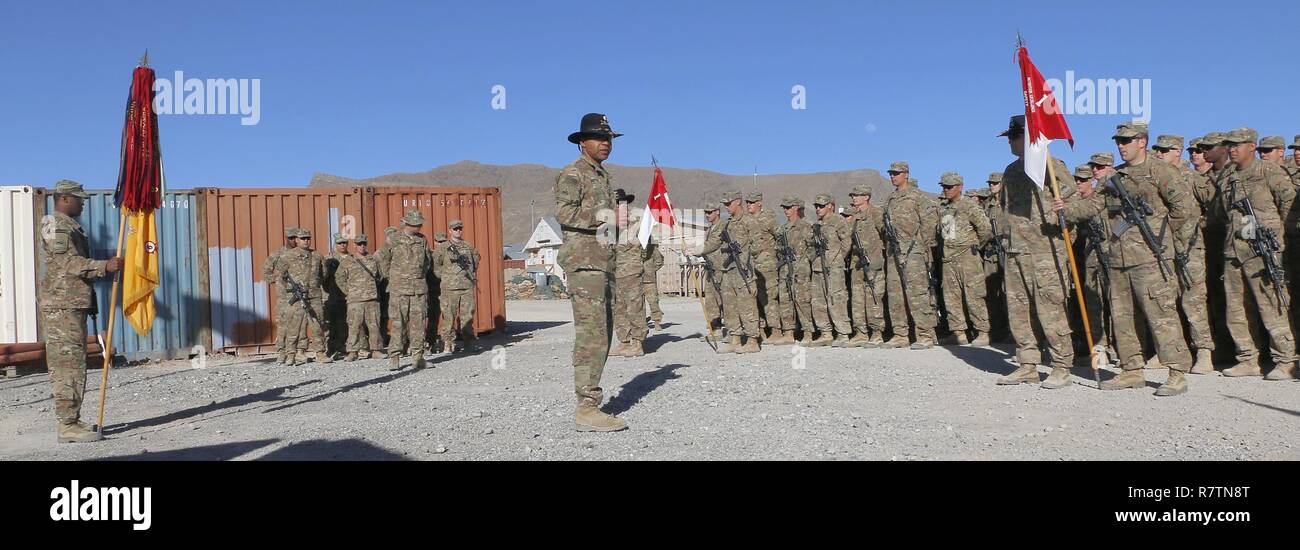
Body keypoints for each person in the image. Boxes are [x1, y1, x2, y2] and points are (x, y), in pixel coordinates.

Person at [1053, 121, 1193, 396]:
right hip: (1117, 258)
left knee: (1161, 315)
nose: (1121, 146)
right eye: (1119, 141)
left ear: (1142, 141)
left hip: (1151, 258)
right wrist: (1065, 209)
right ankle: (1131, 370)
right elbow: (1093, 206)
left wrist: (1160, 237)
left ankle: (1176, 372)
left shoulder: (1160, 171)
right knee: (1122, 316)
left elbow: (1184, 209)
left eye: (1127, 141)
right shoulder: (1113, 177)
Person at [555, 112, 627, 431]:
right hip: (584, 264)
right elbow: (565, 212)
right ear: (582, 143)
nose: (605, 143)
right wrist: (605, 215)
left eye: (608, 138)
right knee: (591, 335)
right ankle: (586, 407)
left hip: (602, 263)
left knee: (603, 332)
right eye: (599, 138)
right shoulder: (573, 173)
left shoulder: (603, 176)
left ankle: (590, 403)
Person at [39, 180, 125, 443]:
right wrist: (104, 266)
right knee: (68, 366)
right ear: (64, 199)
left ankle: (72, 420)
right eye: (79, 199)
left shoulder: (71, 226)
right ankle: (67, 426)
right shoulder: (55, 225)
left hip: (71, 304)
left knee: (74, 364)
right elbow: (67, 262)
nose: (83, 203)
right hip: (62, 306)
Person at [993, 115, 1075, 388]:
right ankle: (1027, 364)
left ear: (1025, 137)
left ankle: (1061, 365)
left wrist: (1057, 212)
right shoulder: (1010, 171)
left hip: (1044, 250)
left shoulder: (1051, 165)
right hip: (1016, 250)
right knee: (1019, 310)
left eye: (1012, 137)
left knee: (1050, 309)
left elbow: (1071, 196)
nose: (1009, 143)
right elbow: (1004, 207)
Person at [1216, 128, 1296, 380]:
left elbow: (1289, 206)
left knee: (1272, 304)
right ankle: (1248, 359)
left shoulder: (1268, 171)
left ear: (1252, 146)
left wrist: (1278, 238)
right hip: (1234, 249)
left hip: (1263, 249)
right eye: (1230, 145)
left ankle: (1286, 359)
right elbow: (1220, 211)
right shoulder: (1228, 176)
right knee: (1236, 308)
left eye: (1238, 144)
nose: (1233, 149)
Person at [881, 162, 939, 349]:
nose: (893, 176)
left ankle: (924, 334)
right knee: (895, 292)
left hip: (913, 250)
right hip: (893, 250)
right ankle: (900, 334)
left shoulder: (917, 196)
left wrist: (922, 245)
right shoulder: (890, 199)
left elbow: (930, 223)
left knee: (917, 292)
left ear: (906, 174)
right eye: (891, 173)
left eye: (896, 173)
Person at [935, 172, 993, 346]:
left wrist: (974, 247)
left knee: (974, 294)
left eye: (949, 187)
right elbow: (944, 234)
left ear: (960, 187)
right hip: (949, 258)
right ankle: (958, 332)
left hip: (968, 256)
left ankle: (983, 331)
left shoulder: (969, 206)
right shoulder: (945, 208)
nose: (946, 190)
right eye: (943, 187)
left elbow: (985, 229)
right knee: (951, 296)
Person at [702, 190, 762, 353]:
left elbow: (758, 246)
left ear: (738, 202)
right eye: (725, 204)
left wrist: (746, 257)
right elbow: (715, 242)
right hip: (728, 269)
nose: (726, 207)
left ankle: (752, 340)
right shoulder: (727, 224)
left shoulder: (749, 221)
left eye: (729, 204)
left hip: (743, 269)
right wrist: (698, 249)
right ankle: (735, 338)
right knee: (729, 306)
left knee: (746, 304)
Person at [381, 211, 433, 371]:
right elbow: (384, 262)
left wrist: (417, 277)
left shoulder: (422, 240)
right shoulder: (393, 239)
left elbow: (427, 263)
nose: (418, 226)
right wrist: (395, 278)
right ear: (406, 223)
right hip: (399, 290)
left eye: (419, 224)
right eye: (415, 224)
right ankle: (394, 358)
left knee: (418, 325)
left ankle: (418, 358)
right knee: (398, 324)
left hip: (418, 289)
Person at [846, 185, 886, 347]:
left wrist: (878, 255)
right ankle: (861, 332)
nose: (854, 198)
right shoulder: (853, 216)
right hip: (856, 263)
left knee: (873, 297)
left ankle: (876, 333)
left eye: (857, 195)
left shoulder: (875, 213)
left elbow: (885, 234)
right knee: (857, 298)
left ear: (866, 197)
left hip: (873, 262)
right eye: (853, 195)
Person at [283, 228, 330, 365]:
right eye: (303, 238)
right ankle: (291, 354)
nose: (306, 241)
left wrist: (314, 285)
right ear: (296, 240)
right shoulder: (288, 256)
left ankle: (320, 353)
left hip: (314, 296)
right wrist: (289, 290)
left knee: (317, 325)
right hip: (297, 297)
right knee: (294, 326)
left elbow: (324, 274)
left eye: (308, 238)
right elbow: (280, 275)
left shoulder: (317, 255)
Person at [611, 192, 648, 357]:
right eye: (618, 203)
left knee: (635, 307)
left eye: (624, 203)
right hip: (616, 274)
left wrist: (637, 262)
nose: (621, 206)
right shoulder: (609, 227)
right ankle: (623, 342)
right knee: (619, 309)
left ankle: (638, 343)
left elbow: (649, 248)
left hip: (632, 272)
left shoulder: (637, 223)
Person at [335, 234, 383, 361]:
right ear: (355, 245)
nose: (362, 246)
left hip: (372, 298)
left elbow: (381, 275)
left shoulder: (372, 259)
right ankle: (353, 351)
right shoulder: (348, 261)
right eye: (359, 244)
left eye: (364, 244)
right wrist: (349, 291)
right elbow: (339, 278)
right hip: (355, 299)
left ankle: (376, 350)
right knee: (354, 326)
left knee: (374, 325)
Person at [436, 219, 480, 353]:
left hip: (466, 287)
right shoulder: (443, 248)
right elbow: (436, 265)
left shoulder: (468, 246)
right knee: (449, 317)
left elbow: (476, 261)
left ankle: (468, 344)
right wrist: (445, 277)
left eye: (460, 228)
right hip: (449, 289)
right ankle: (448, 344)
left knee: (467, 317)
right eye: (455, 229)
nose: (458, 231)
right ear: (450, 231)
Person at [264, 226, 299, 364]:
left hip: (299, 294)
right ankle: (281, 352)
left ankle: (298, 352)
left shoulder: (302, 254)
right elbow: (266, 272)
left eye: (296, 238)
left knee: (299, 324)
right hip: (284, 296)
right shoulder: (277, 254)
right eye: (291, 238)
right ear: (286, 238)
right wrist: (278, 280)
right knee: (283, 324)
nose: (294, 241)